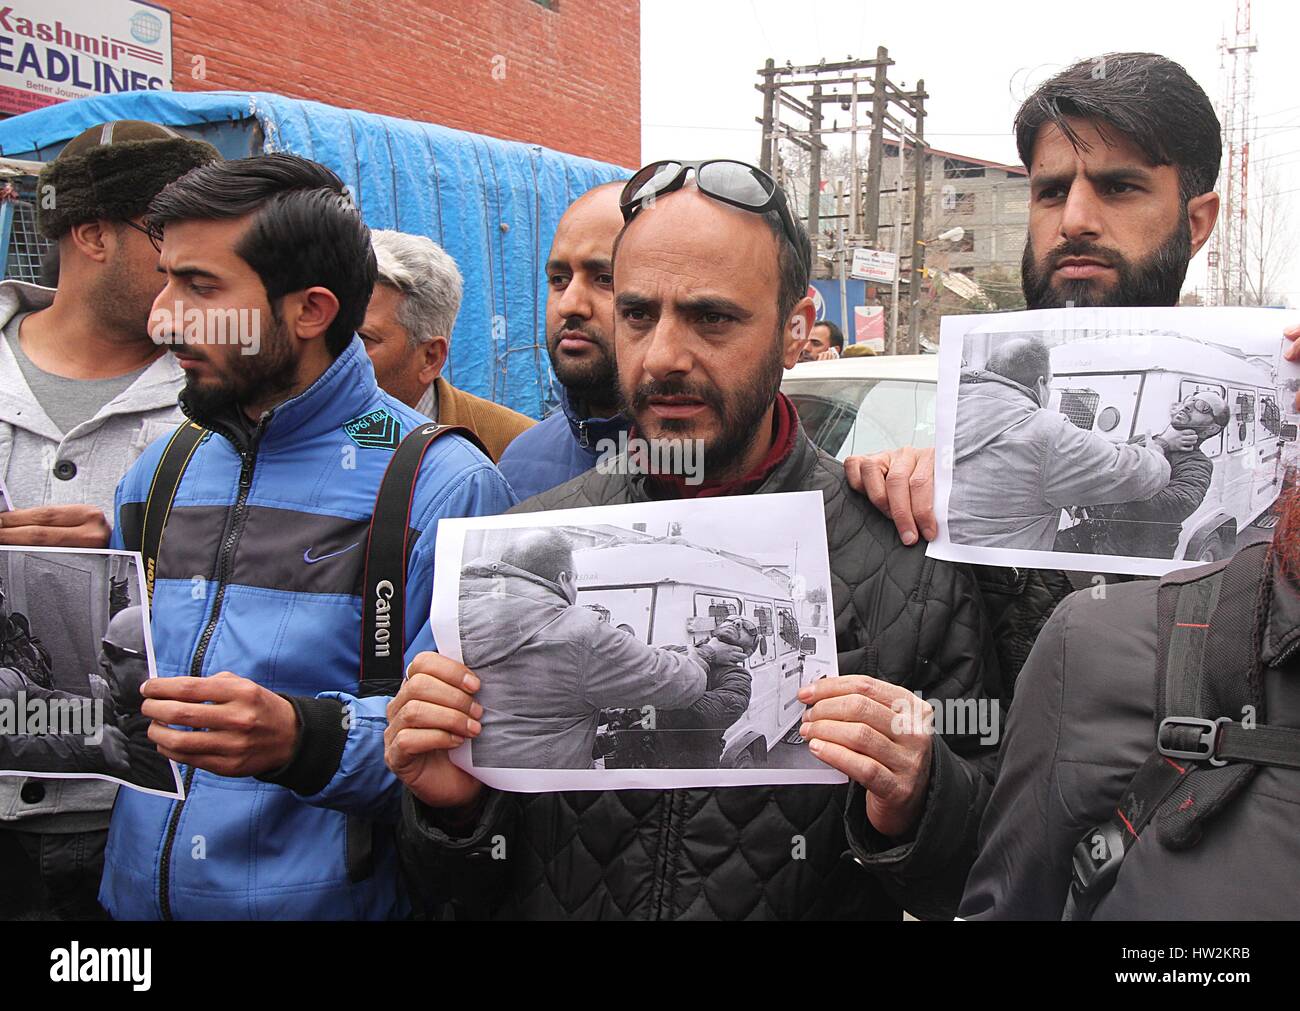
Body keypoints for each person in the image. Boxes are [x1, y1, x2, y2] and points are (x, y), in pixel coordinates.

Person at [386, 159, 997, 920]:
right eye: (639, 314)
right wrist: (449, 812)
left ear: (796, 329)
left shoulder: (908, 561)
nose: (664, 354)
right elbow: (452, 888)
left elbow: (978, 873)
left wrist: (919, 795)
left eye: (712, 318)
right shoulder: (526, 537)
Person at [836, 53, 1284, 919]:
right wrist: (914, 790)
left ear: (1198, 220)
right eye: (1051, 191)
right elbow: (950, 851)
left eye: (1117, 188)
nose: (1075, 219)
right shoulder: (932, 501)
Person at [99, 153, 515, 921]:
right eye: (166, 279)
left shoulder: (446, 486)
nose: (163, 316)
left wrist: (304, 738)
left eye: (199, 287)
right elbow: (111, 693)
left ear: (311, 310)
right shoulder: (160, 470)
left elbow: (480, 752)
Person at [0, 119, 219, 922]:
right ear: (91, 234)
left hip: (144, 827)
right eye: (168, 232)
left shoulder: (225, 399)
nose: (193, 256)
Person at [960, 486, 1300, 920]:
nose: (1185, 412)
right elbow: (1007, 883)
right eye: (1186, 408)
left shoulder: (1183, 466)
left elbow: (1164, 492)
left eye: (1198, 411)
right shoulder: (1092, 643)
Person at [460, 528, 751, 769]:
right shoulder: (579, 631)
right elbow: (669, 680)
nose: (734, 624)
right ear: (564, 579)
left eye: (741, 627)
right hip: (544, 785)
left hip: (470, 774)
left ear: (746, 651)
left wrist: (622, 699)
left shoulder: (458, 611)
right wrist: (704, 654)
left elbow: (703, 713)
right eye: (731, 620)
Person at [949, 335, 1174, 551]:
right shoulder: (1046, 432)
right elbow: (1133, 475)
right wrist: (1157, 451)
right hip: (997, 576)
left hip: (939, 568)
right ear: (1040, 383)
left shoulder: (950, 405)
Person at [497, 182, 631, 499]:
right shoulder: (518, 463)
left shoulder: (701, 462)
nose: (569, 304)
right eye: (559, 279)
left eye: (604, 279)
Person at [360, 230, 534, 462]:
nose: (337, 354)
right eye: (331, 333)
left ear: (430, 358)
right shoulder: (303, 434)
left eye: (362, 339)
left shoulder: (516, 451)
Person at [1080, 392, 1225, 558]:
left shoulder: (1197, 465)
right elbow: (1100, 466)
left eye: (1202, 407)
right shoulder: (1142, 440)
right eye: (1190, 399)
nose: (1188, 405)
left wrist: (1098, 490)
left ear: (1212, 429)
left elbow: (1166, 506)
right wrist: (1160, 443)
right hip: (1094, 545)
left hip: (1132, 564)